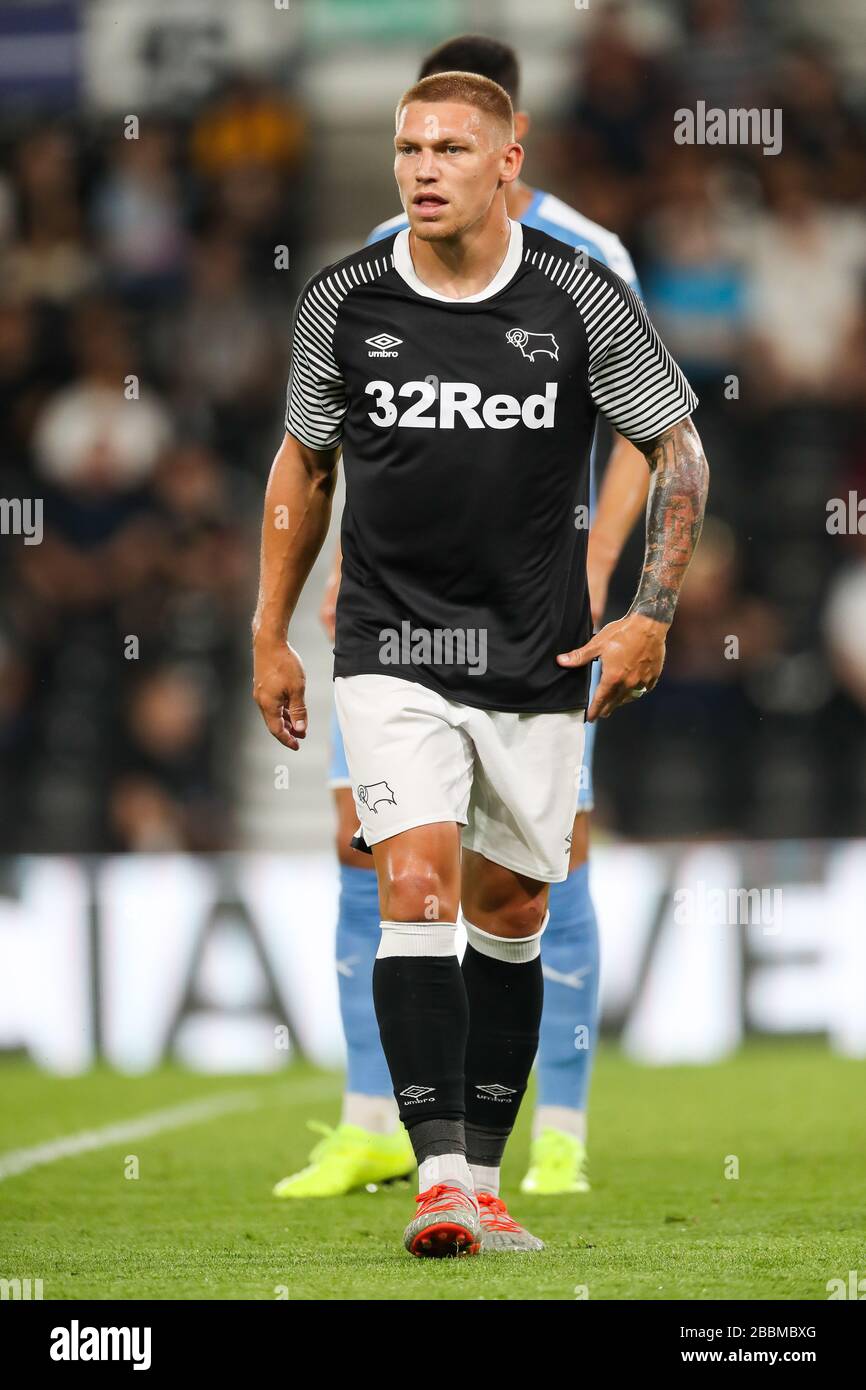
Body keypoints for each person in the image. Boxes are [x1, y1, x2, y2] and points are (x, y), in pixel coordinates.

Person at [253, 70, 708, 1256]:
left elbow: (676, 449)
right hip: (390, 644)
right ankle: (439, 1179)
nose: (422, 168)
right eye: (409, 148)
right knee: (413, 885)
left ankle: (490, 1179)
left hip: (534, 651)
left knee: (513, 910)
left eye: (451, 148)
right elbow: (302, 465)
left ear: (508, 162)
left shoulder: (579, 293)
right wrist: (269, 628)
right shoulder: (343, 299)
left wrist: (649, 611)